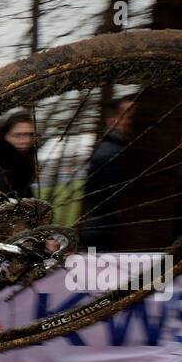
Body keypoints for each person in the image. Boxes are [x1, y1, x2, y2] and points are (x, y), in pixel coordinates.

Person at [79, 96, 136, 252]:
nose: (134, 122)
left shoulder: (118, 150)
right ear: (112, 121)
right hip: (106, 237)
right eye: (130, 117)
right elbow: (107, 202)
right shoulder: (111, 153)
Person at [0, 112, 38, 198]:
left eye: (30, 134)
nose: (26, 141)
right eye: (17, 135)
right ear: (4, 136)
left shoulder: (23, 165)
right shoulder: (0, 166)